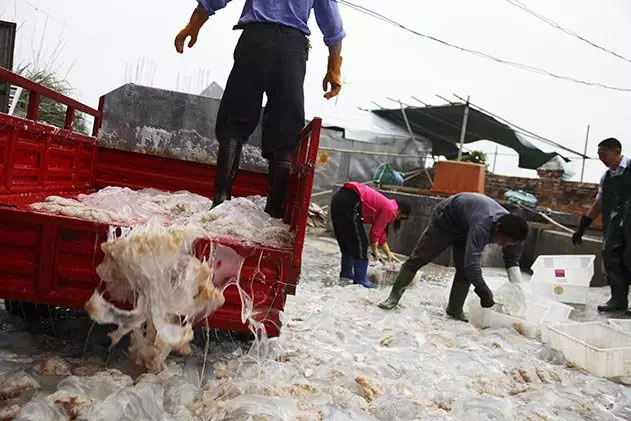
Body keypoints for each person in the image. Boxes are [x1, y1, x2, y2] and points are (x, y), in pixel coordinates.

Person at [174, 0, 345, 218]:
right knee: (284, 131)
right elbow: (333, 26)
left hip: (255, 42)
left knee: (234, 122)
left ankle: (219, 205)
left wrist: (194, 25)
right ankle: (273, 215)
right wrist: (334, 67)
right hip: (291, 52)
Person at [378, 192, 529, 321]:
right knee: (420, 258)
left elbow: (511, 260)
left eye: (509, 244)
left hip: (466, 223)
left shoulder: (513, 231)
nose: (503, 245)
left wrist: (518, 290)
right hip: (447, 219)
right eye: (502, 241)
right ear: (497, 229)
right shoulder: (483, 224)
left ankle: (455, 310)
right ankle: (393, 298)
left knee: (463, 271)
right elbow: (472, 264)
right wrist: (484, 292)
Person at [572, 138, 631, 313]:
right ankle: (618, 299)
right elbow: (599, 203)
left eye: (604, 154)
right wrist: (582, 227)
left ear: (617, 151)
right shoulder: (607, 177)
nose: (601, 159)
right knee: (610, 257)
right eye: (599, 155)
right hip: (614, 225)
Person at [330, 182, 412, 289]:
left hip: (339, 198)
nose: (396, 219)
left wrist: (388, 254)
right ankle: (360, 279)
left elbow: (381, 234)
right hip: (352, 199)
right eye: (400, 217)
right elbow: (374, 233)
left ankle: (347, 273)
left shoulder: (387, 205)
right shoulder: (391, 209)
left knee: (347, 240)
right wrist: (375, 251)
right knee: (361, 243)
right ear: (400, 211)